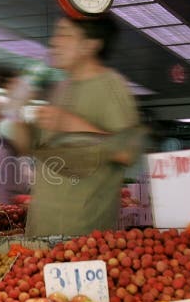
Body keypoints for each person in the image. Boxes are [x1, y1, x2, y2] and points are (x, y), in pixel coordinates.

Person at [11, 16, 143, 236]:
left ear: (90, 44)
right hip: (40, 233)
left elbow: (127, 152)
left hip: (81, 238)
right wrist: (14, 111)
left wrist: (70, 123)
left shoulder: (111, 86)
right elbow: (24, 146)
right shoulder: (61, 88)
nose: (54, 41)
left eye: (65, 33)